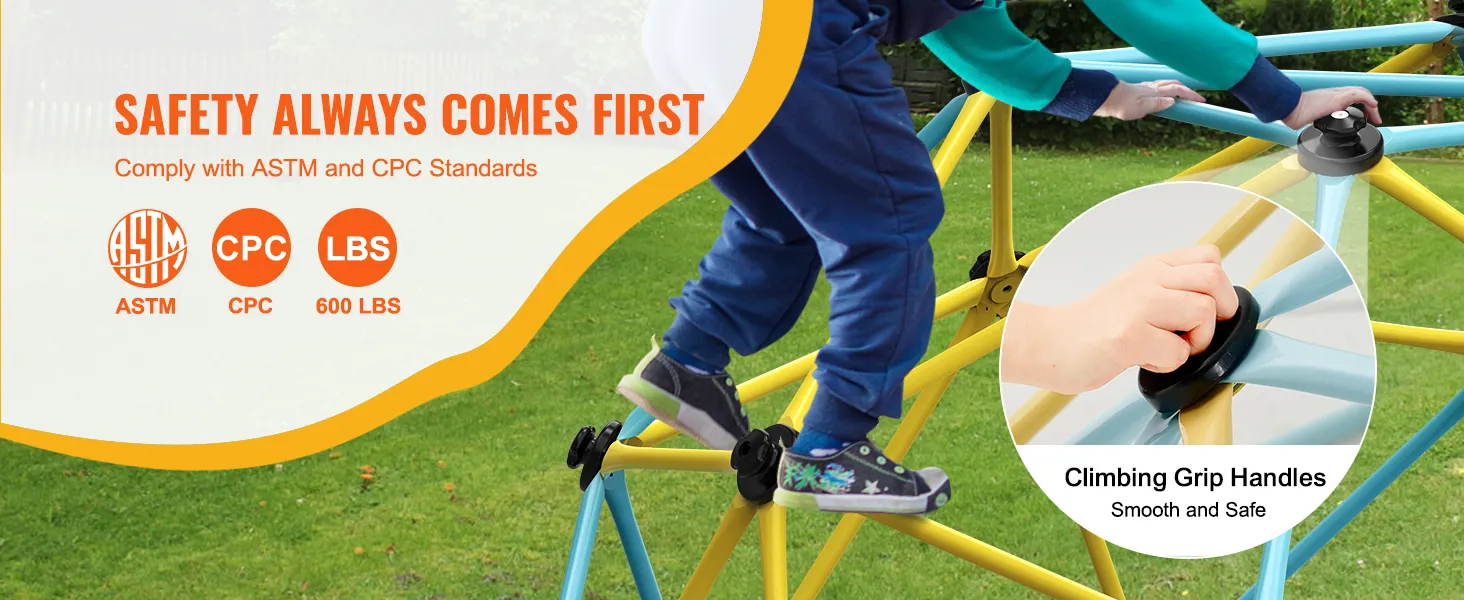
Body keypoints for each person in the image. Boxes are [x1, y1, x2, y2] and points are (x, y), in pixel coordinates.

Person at [620, 0, 1380, 515]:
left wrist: (1097, 94)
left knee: (781, 214)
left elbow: (973, 35)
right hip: (786, 33)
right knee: (890, 221)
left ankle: (686, 362)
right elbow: (1147, 8)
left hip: (683, 31)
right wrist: (1280, 97)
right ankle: (829, 449)